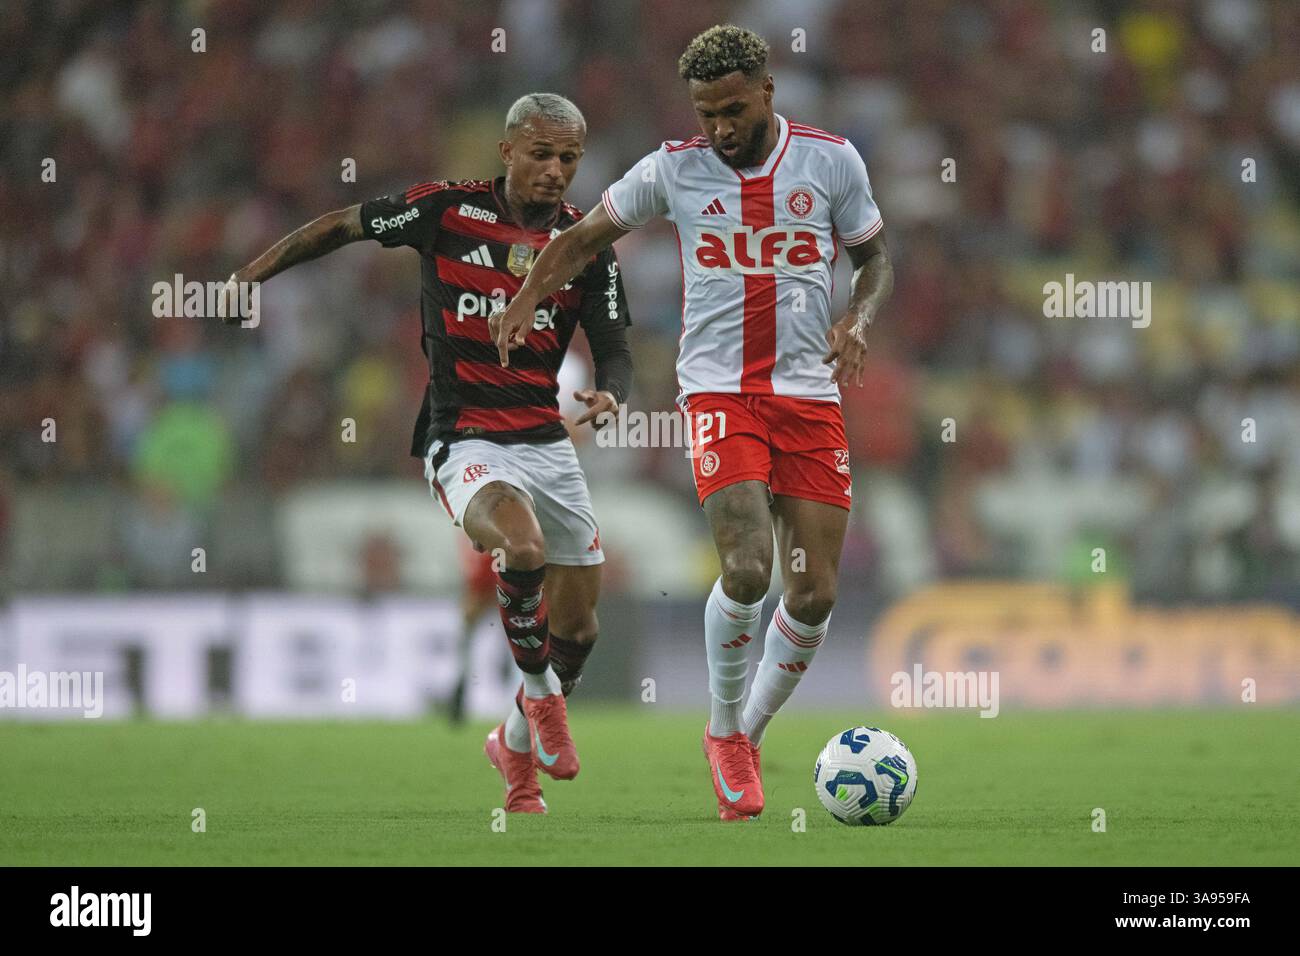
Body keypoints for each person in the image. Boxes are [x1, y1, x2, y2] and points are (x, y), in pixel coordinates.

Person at [491, 26, 894, 821]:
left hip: (809, 398)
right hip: (719, 395)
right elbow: (580, 239)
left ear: (768, 93)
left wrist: (861, 317)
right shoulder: (674, 170)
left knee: (812, 595)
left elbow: (877, 256)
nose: (721, 128)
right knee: (747, 570)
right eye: (707, 112)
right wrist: (529, 295)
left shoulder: (832, 160)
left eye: (734, 109)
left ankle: (748, 729)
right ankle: (722, 733)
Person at [220, 93, 632, 814]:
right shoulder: (445, 210)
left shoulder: (585, 241)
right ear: (507, 152)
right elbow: (341, 226)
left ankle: (511, 747)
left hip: (544, 441)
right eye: (542, 154)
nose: (556, 170)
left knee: (579, 629)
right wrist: (252, 275)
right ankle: (540, 700)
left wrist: (613, 394)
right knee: (523, 549)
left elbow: (615, 343)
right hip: (464, 435)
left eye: (569, 157)